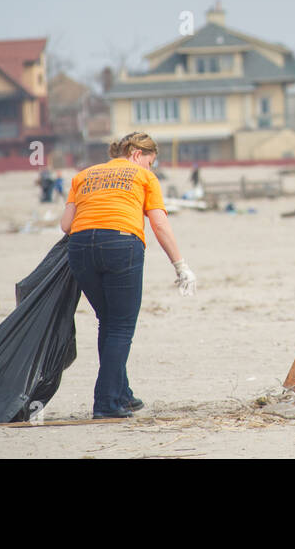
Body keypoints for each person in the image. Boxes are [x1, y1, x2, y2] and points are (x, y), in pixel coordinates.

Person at [60, 132, 197, 419]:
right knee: (121, 327)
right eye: (150, 162)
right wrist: (180, 266)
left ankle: (122, 394)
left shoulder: (83, 175)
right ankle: (106, 403)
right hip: (122, 245)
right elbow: (159, 225)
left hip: (81, 249)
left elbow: (65, 225)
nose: (150, 168)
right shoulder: (144, 178)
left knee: (108, 322)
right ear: (136, 154)